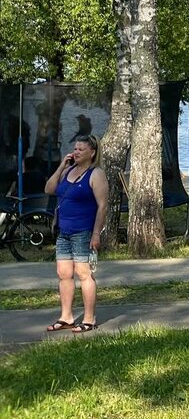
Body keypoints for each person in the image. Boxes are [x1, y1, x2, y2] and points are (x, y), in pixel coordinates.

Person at [44, 134, 108, 334]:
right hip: (64, 231)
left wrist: (96, 233)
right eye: (75, 148)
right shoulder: (69, 170)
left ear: (92, 152)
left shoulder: (95, 174)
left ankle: (89, 318)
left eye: (81, 149)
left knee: (84, 274)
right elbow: (49, 189)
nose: (76, 152)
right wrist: (62, 165)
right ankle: (66, 317)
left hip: (83, 231)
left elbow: (103, 205)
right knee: (63, 274)